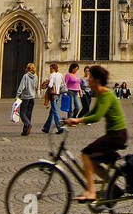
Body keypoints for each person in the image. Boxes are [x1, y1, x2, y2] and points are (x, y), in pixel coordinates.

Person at [67, 64, 127, 202]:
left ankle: (91, 192)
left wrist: (78, 120)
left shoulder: (106, 94)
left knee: (86, 154)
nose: (88, 79)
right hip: (115, 134)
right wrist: (72, 120)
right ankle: (113, 187)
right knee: (93, 160)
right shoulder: (101, 94)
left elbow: (97, 116)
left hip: (117, 135)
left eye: (91, 77)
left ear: (97, 80)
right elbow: (92, 113)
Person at [15, 63, 38, 135]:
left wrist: (17, 95)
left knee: (22, 114)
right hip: (32, 97)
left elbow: (22, 86)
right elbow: (36, 87)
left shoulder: (25, 76)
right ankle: (25, 131)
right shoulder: (36, 76)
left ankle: (28, 124)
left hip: (25, 97)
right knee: (28, 114)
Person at [42, 63, 65, 134]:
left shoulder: (52, 75)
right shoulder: (60, 75)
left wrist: (47, 82)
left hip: (53, 95)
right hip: (58, 94)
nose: (50, 70)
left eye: (51, 68)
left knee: (54, 111)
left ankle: (60, 127)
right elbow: (63, 84)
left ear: (53, 69)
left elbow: (50, 85)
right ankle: (46, 127)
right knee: (52, 111)